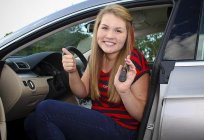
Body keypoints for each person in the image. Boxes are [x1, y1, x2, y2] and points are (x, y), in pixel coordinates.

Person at [24, 4, 150, 140]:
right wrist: (72, 71)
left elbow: (142, 115)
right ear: (97, 29)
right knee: (31, 121)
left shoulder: (132, 60)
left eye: (118, 31)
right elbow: (81, 92)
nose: (109, 35)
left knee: (45, 109)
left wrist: (124, 92)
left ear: (127, 35)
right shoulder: (96, 58)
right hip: (99, 121)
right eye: (105, 28)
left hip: (122, 130)